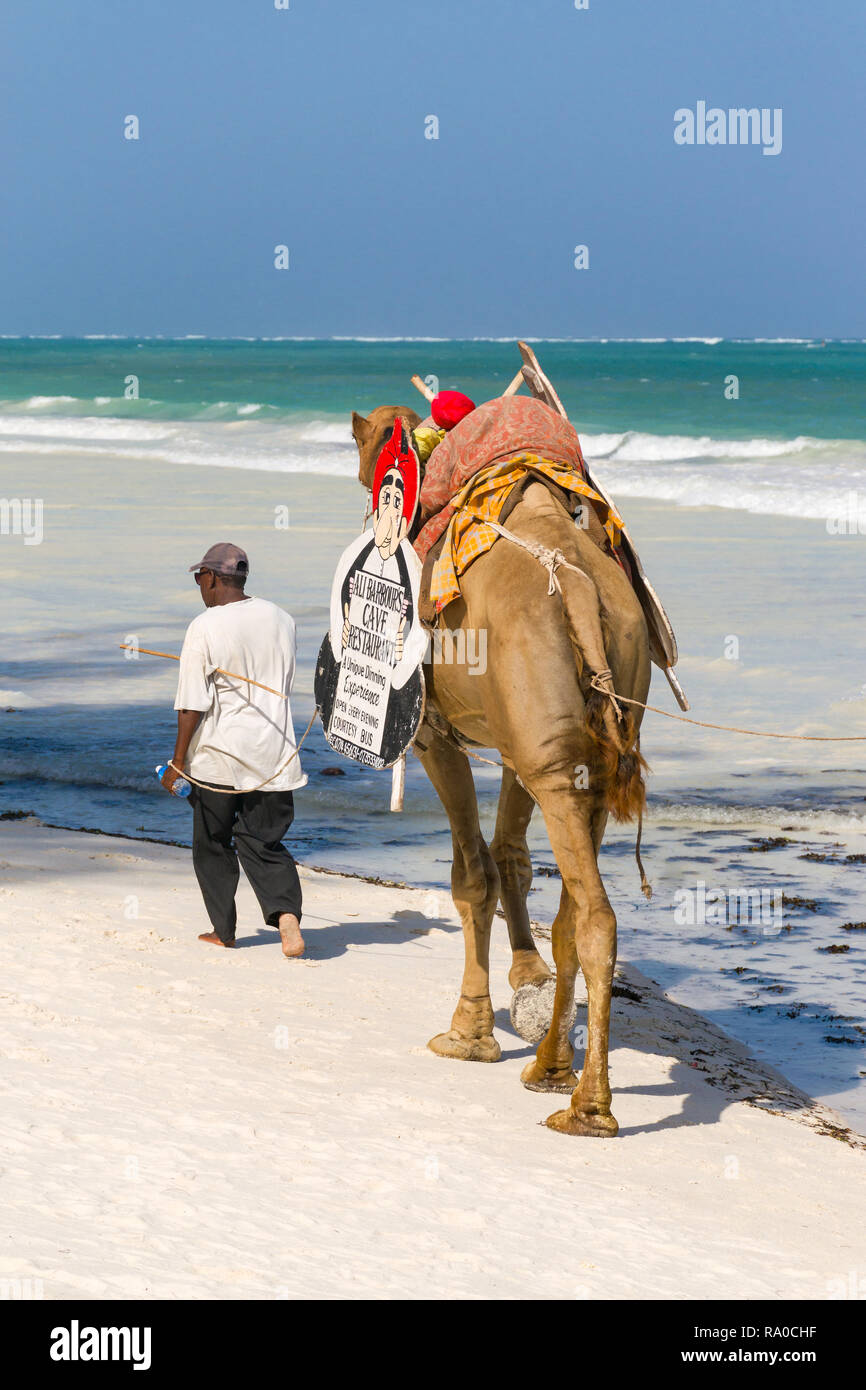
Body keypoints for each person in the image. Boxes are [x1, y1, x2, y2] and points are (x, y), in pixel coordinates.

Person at [161, 543, 307, 957]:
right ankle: (286, 917)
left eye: (198, 578)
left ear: (210, 577)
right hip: (276, 755)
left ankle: (223, 930)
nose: (198, 587)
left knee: (213, 842)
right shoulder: (284, 619)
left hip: (219, 759)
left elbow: (192, 702)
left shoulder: (204, 626)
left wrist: (178, 760)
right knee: (264, 842)